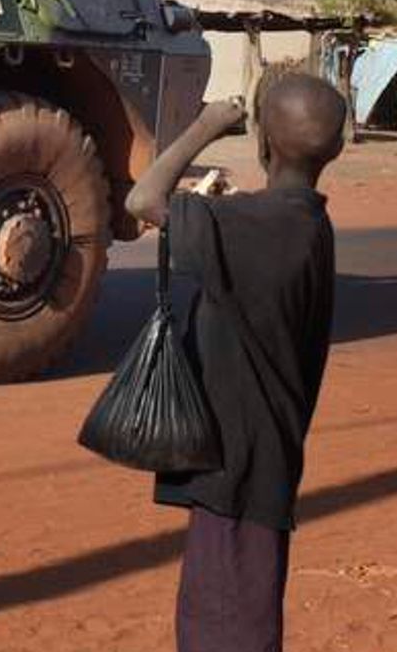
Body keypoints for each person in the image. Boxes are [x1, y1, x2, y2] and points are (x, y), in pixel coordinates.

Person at [126, 74, 348, 652]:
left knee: (224, 627)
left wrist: (203, 126)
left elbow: (142, 199)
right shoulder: (307, 223)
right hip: (266, 461)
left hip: (236, 472)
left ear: (262, 143)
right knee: (243, 615)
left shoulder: (247, 225)